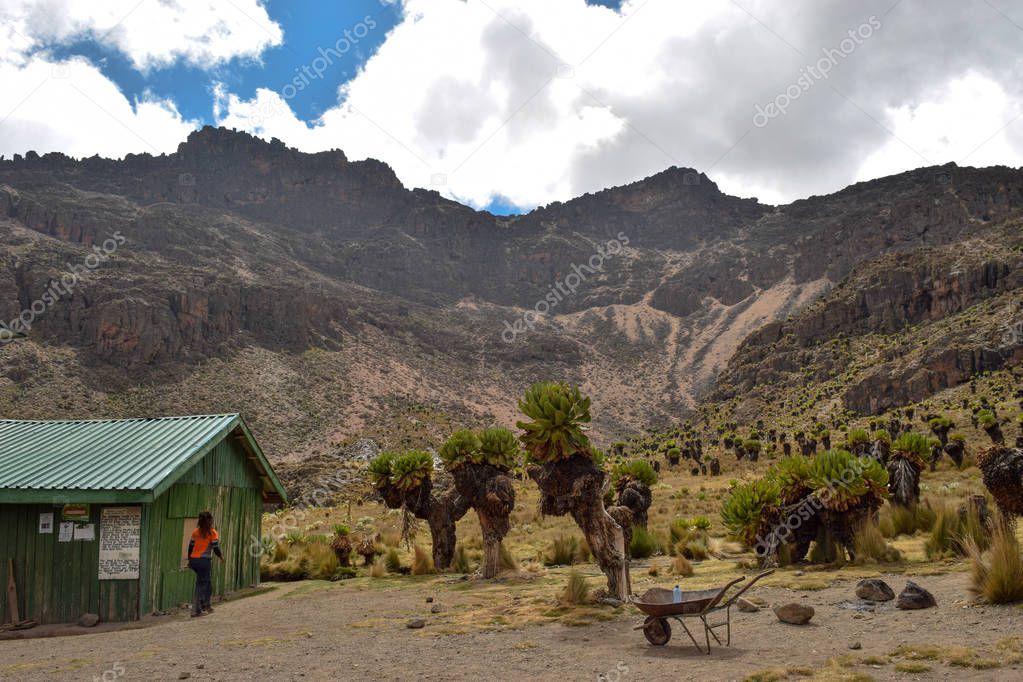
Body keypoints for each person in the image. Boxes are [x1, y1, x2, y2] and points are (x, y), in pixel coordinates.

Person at [187, 511, 224, 617]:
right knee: (201, 585)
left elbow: (190, 547)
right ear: (211, 521)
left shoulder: (196, 532)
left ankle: (206, 605)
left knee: (207, 583)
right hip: (204, 561)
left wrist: (190, 560)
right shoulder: (212, 532)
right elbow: (215, 548)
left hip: (194, 560)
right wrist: (221, 557)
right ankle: (196, 610)